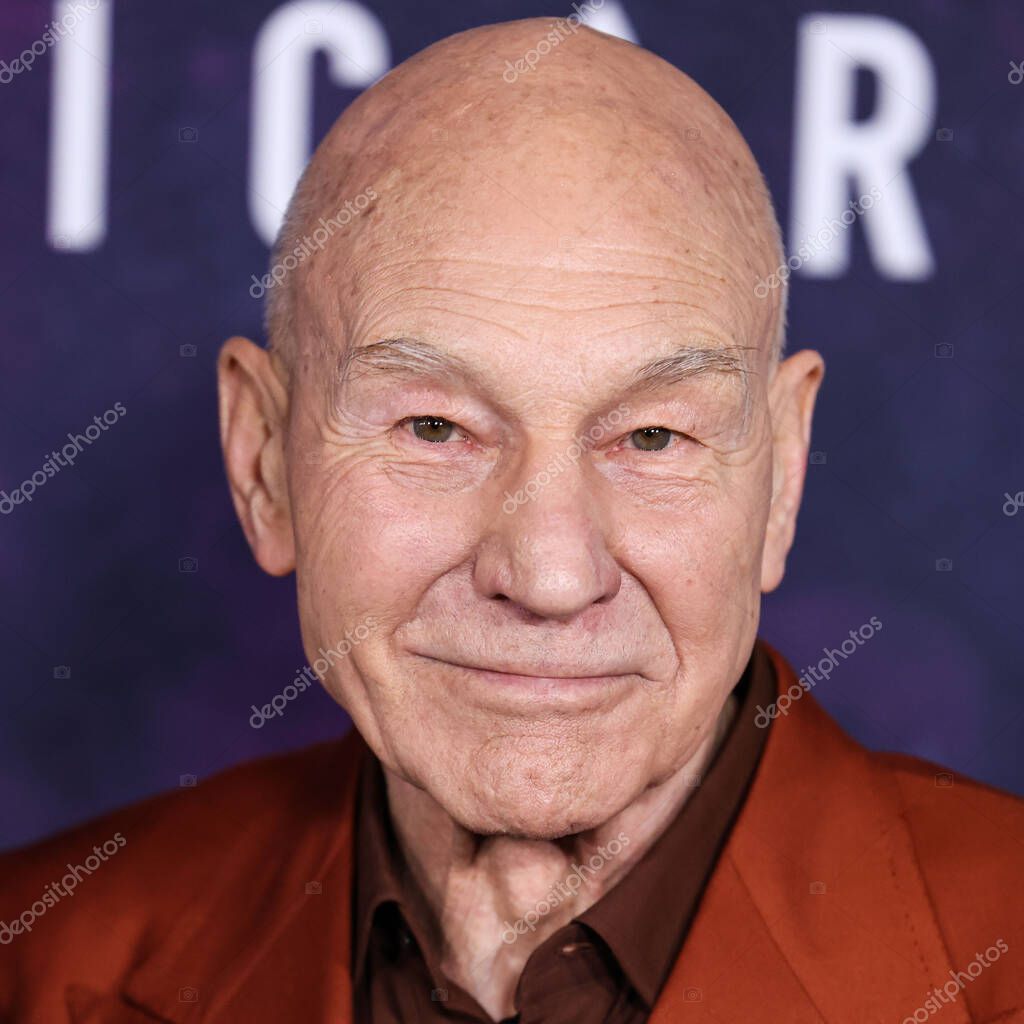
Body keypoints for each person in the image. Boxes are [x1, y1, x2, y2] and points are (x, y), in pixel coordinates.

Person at [2, 18, 1021, 1024]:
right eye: (434, 427)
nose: (548, 575)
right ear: (263, 458)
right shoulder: (36, 963)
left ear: (783, 474)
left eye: (654, 436)